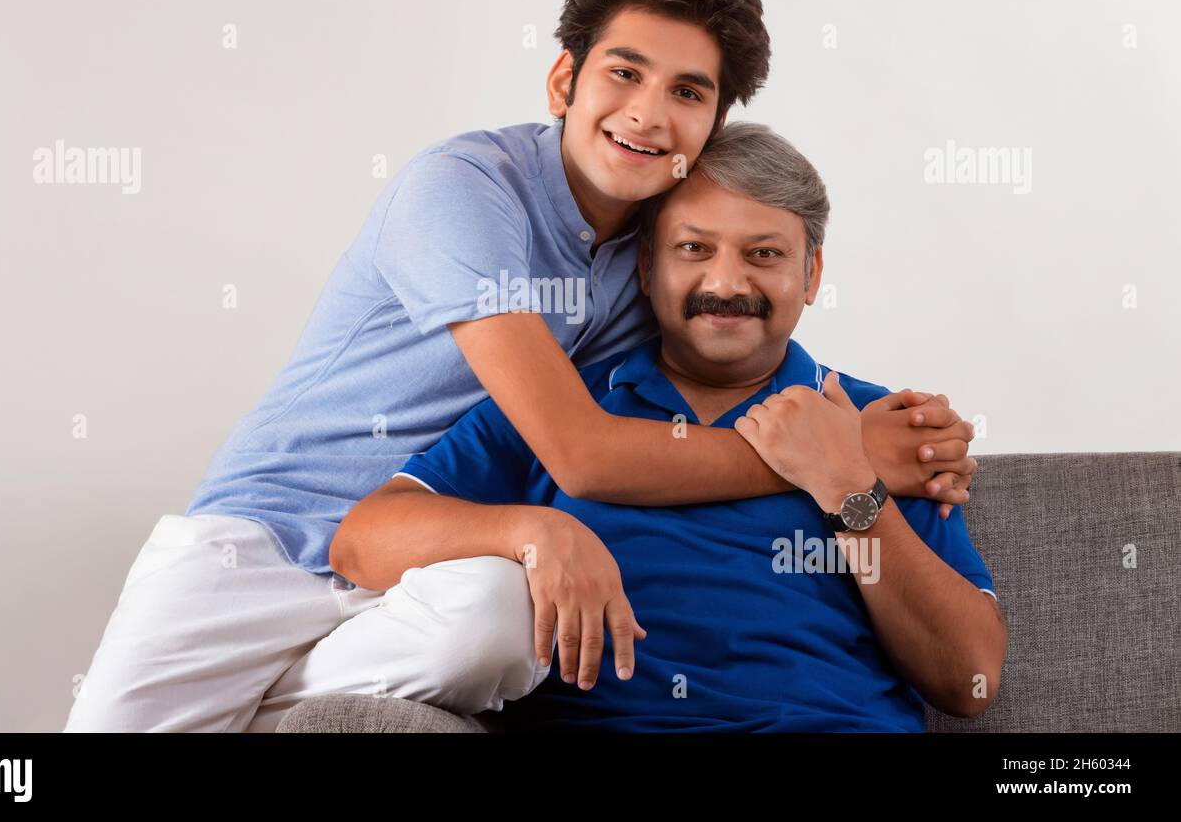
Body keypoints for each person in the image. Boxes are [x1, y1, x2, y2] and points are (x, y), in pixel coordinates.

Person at [65, 0, 975, 733]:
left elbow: (720, 362)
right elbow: (579, 454)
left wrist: (887, 448)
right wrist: (839, 455)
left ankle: (263, 712)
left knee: (503, 618)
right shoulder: (464, 191)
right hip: (270, 547)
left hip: (444, 563)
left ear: (713, 123)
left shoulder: (656, 264)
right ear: (564, 79)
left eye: (688, 91)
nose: (650, 113)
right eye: (625, 72)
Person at [334, 122, 1004, 731]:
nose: (726, 281)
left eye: (764, 254)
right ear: (647, 269)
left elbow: (969, 679)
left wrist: (850, 483)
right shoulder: (561, 411)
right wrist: (530, 531)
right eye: (694, 248)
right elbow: (362, 542)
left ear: (811, 274)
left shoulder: (874, 425)